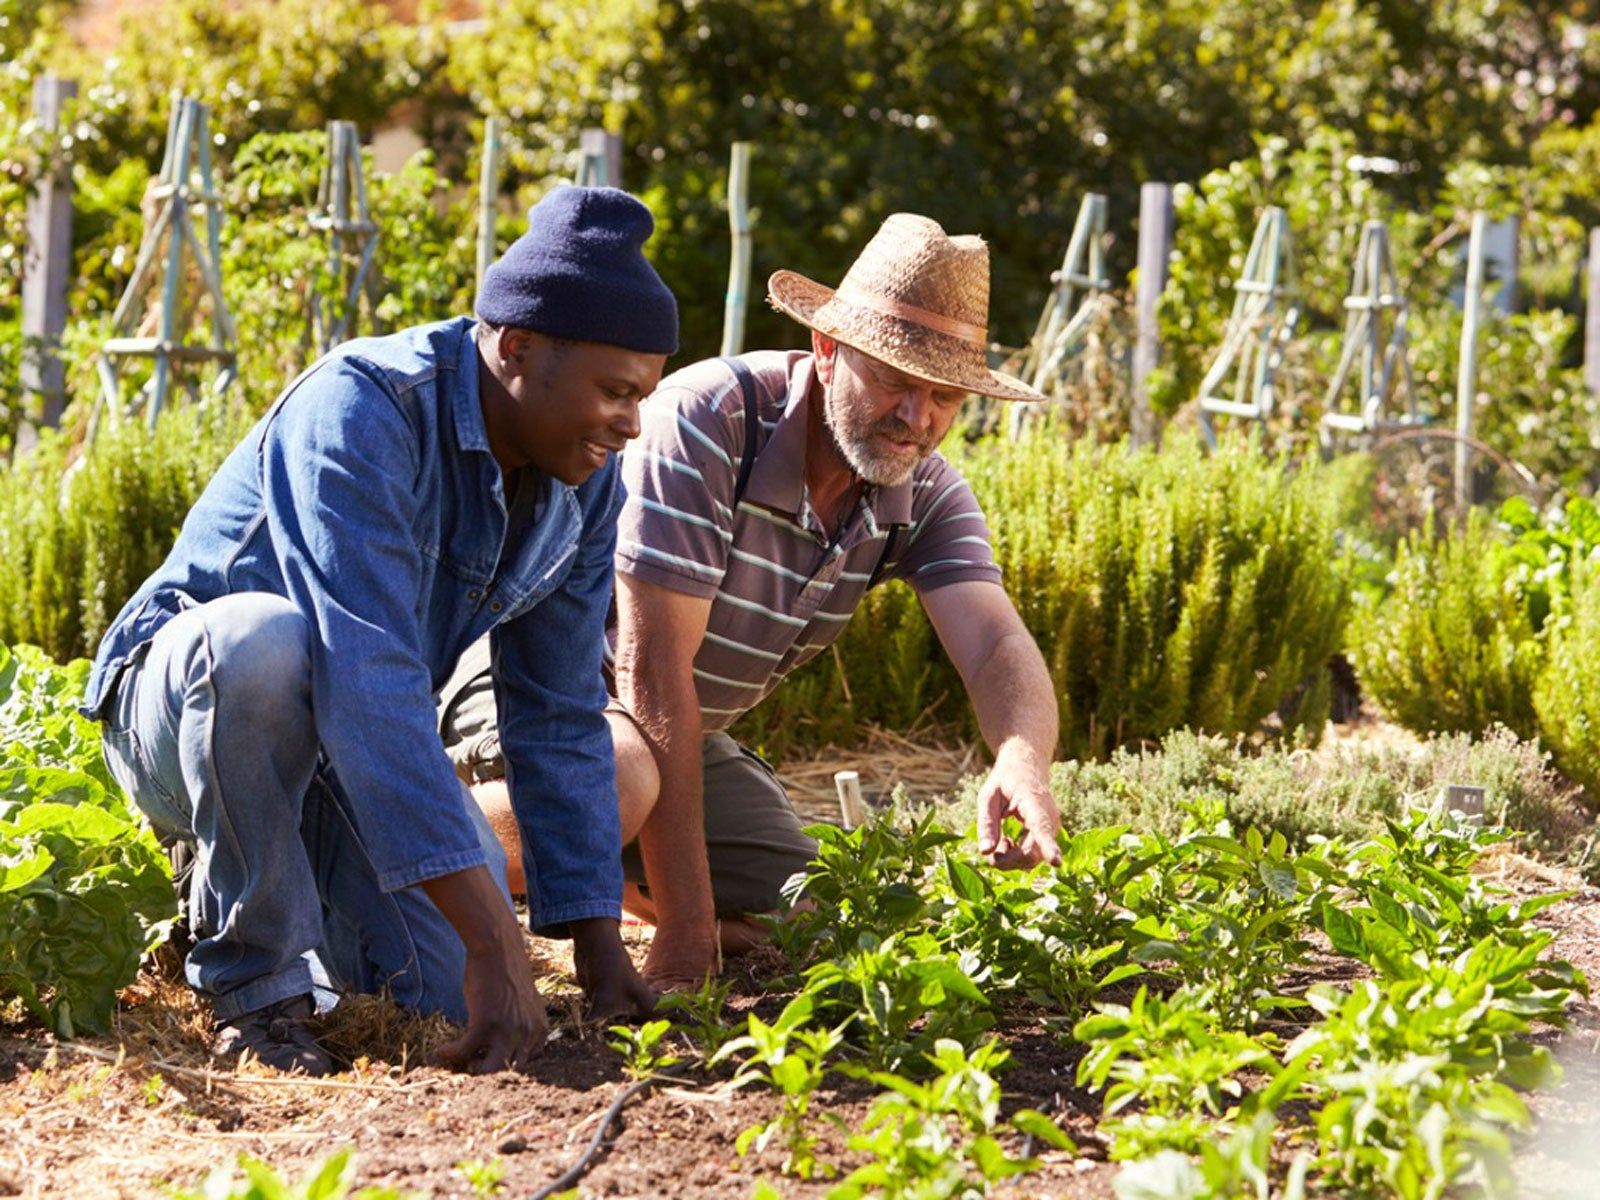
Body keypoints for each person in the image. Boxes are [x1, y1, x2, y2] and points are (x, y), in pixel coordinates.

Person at [81, 186, 674, 1075]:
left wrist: (595, 945)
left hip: (338, 746)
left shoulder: (582, 485)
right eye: (616, 392)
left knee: (444, 994)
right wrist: (497, 938)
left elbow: (556, 711)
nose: (632, 424)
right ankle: (257, 989)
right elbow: (368, 676)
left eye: (644, 396)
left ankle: (283, 892)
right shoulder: (366, 408)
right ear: (517, 348)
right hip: (185, 714)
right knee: (261, 642)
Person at [441, 212, 1066, 990]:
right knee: (619, 781)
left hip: (674, 732)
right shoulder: (710, 420)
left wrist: (1022, 758)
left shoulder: (924, 491)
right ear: (828, 349)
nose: (918, 418)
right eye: (896, 381)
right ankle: (388, 863)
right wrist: (688, 929)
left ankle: (605, 881)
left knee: (825, 910)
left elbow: (997, 645)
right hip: (537, 685)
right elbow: (649, 668)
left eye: (944, 395)